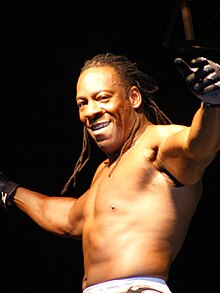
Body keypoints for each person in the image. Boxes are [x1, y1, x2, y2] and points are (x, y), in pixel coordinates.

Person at [1, 53, 220, 293]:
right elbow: (69, 219)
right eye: (82, 103)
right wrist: (9, 189)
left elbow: (197, 148)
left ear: (134, 97)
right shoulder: (104, 170)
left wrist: (212, 103)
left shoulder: (157, 144)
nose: (90, 112)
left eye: (102, 98)